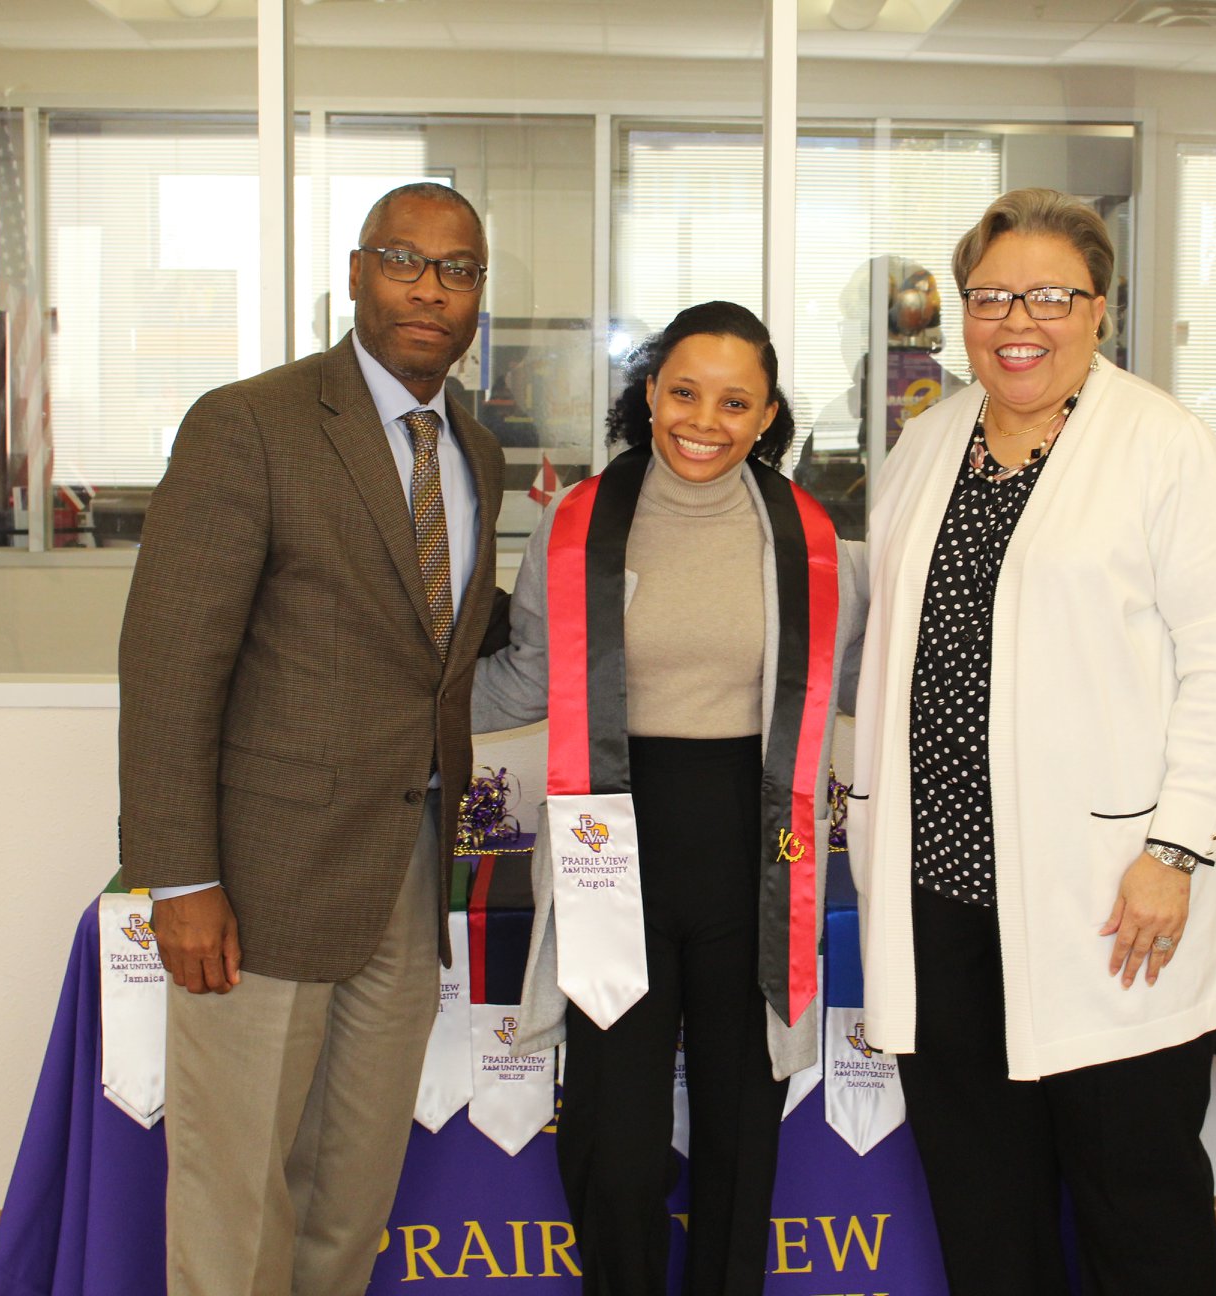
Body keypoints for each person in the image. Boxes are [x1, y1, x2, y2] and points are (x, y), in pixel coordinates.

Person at [850, 188, 1216, 1294]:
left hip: (1112, 892)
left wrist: (1174, 852)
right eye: (990, 296)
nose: (1017, 321)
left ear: (1098, 308)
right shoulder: (926, 443)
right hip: (944, 890)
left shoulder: (1166, 450)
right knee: (982, 1195)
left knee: (1135, 1195)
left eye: (1049, 295)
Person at [118, 181, 507, 1296]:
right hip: (262, 885)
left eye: (457, 270)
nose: (429, 289)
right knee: (237, 1202)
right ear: (355, 273)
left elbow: (438, 645)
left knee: (351, 1198)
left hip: (407, 872)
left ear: (477, 295)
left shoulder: (474, 451)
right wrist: (181, 878)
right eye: (403, 260)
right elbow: (169, 667)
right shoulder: (251, 424)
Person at [472, 300, 865, 1295]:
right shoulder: (575, 523)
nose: (705, 421)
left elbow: (871, 678)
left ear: (767, 415)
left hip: (754, 850)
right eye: (684, 392)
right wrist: (391, 708)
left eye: (736, 402)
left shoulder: (813, 538)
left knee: (741, 1125)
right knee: (614, 1137)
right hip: (612, 848)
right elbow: (526, 678)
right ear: (649, 393)